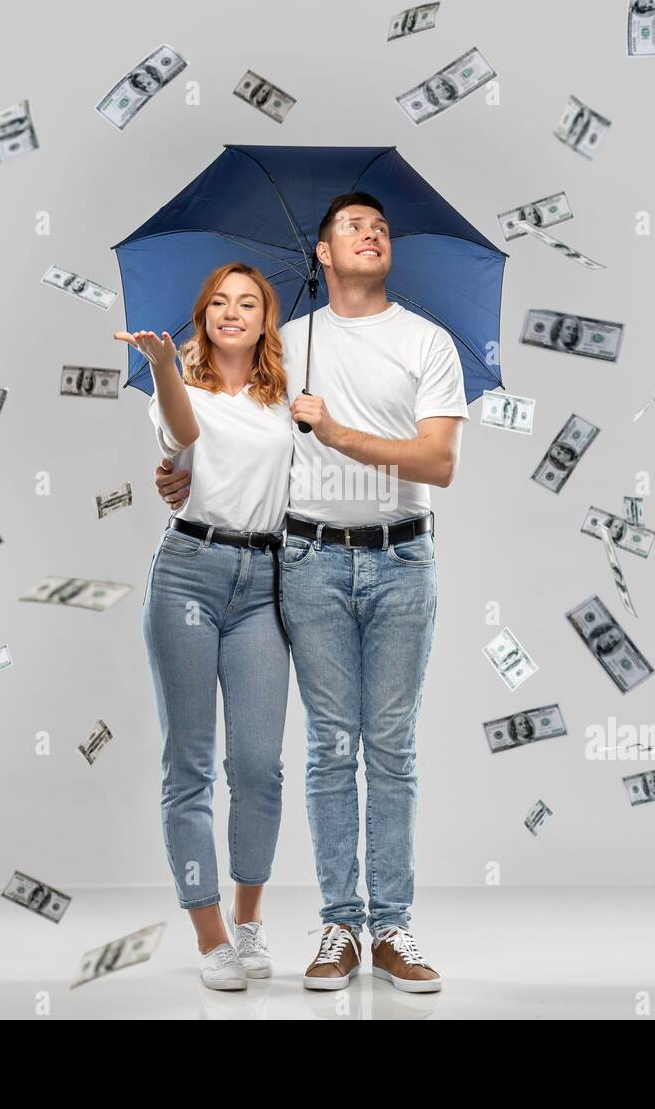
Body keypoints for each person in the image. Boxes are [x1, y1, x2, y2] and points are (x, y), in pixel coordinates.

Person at [155, 194, 466, 993]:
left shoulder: (428, 343)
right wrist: (180, 476)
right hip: (309, 562)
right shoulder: (286, 347)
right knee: (330, 747)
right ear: (322, 255)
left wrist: (336, 434)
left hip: (403, 557)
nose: (372, 233)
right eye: (354, 227)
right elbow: (228, 438)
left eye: (381, 228)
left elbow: (437, 464)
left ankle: (390, 927)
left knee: (390, 746)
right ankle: (338, 928)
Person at [120, 263, 293, 992]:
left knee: (258, 767)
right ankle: (210, 932)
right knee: (188, 764)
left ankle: (250, 921)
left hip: (265, 583)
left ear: (264, 320)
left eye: (247, 303)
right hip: (189, 571)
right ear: (202, 314)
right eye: (219, 301)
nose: (232, 312)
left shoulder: (286, 398)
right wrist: (163, 366)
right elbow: (182, 433)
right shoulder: (177, 388)